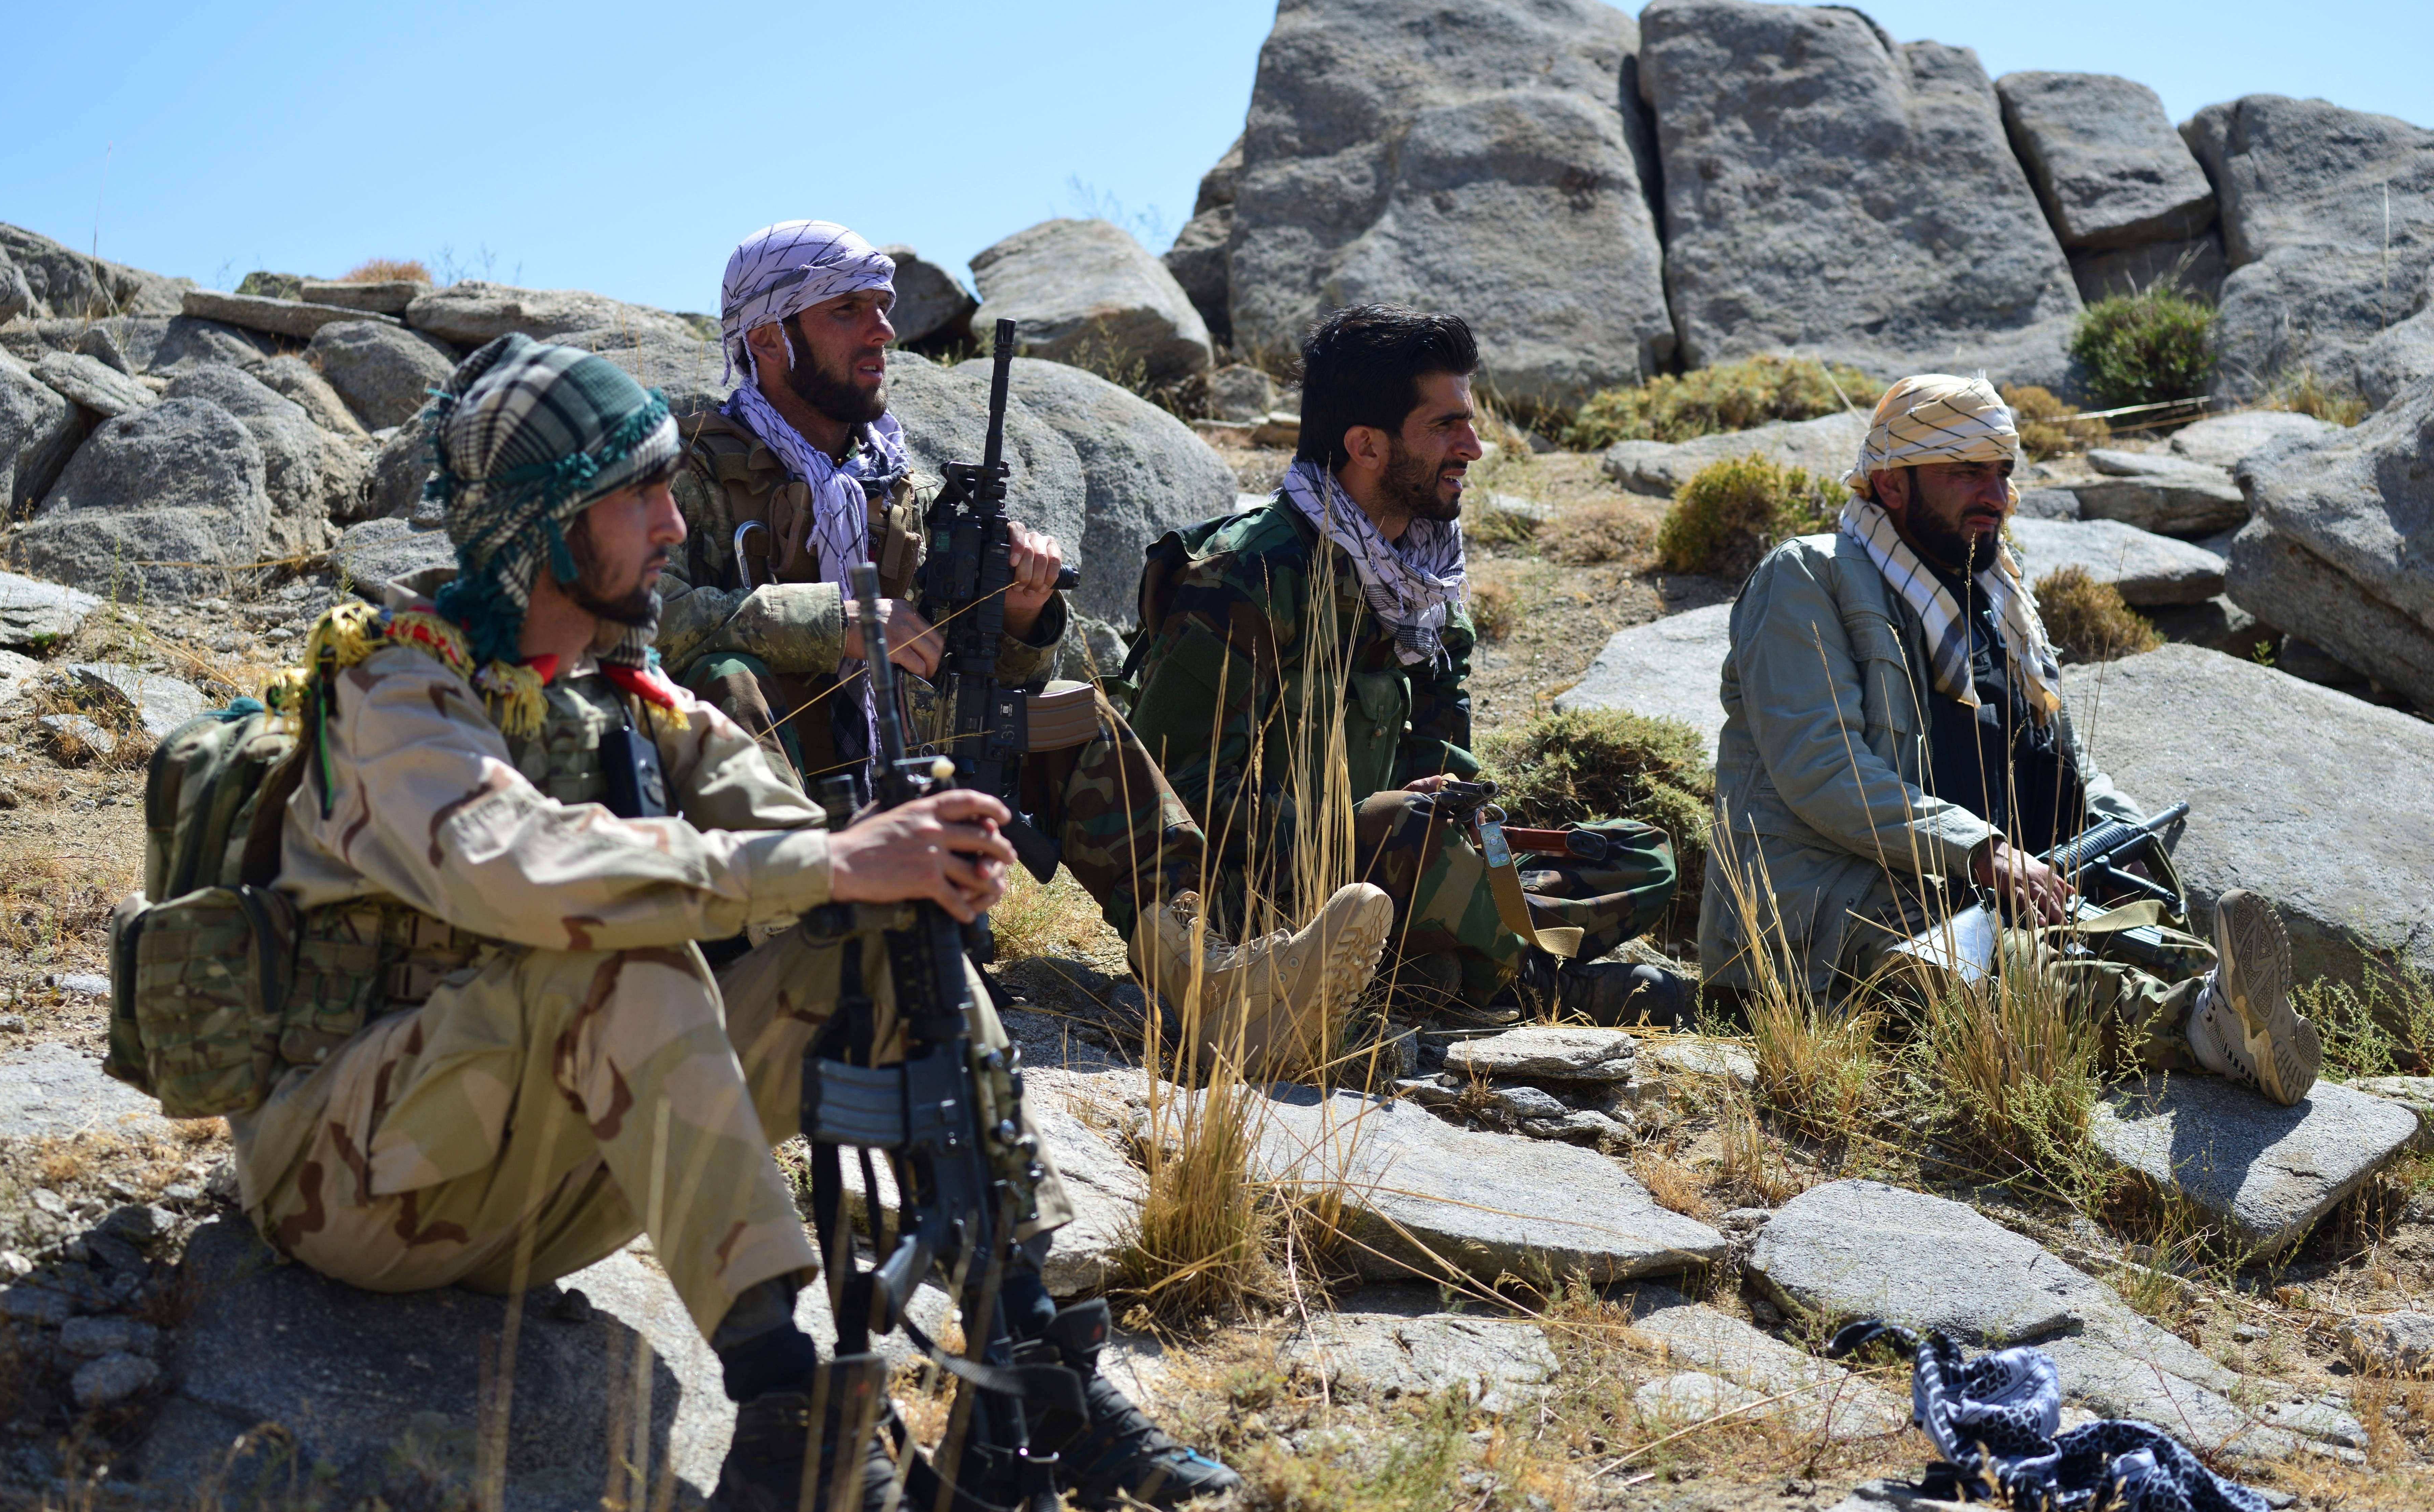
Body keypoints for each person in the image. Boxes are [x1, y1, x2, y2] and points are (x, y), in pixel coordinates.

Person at [230, 333, 1237, 1510]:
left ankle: (1036, 1352)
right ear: (543, 523)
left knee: (884, 934)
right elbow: (519, 868)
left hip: (544, 1180)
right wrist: (829, 856)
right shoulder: (397, 686)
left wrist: (911, 863)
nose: (672, 523)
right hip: (347, 1180)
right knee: (629, 958)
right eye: (640, 495)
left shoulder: (629, 694)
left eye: (670, 488)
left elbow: (794, 843)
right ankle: (787, 1408)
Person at [657, 221, 1391, 1072]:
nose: (882, 332)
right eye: (847, 311)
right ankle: (801, 982)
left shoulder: (890, 485)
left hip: (893, 762)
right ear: (767, 339)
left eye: (884, 309)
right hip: (753, 793)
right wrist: (836, 620)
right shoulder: (691, 472)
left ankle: (1210, 978)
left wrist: (1017, 619)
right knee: (723, 679)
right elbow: (649, 620)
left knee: (1070, 716)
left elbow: (974, 673)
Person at [1697, 372, 2322, 1104]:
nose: (1993, 496)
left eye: (2001, 473)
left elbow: (2057, 750)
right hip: (1833, 915)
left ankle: (2234, 1012)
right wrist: (1984, 852)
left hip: (2005, 881)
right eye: (1964, 472)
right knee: (2002, 967)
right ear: (1890, 484)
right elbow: (1821, 770)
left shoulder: (1997, 596)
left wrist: (2120, 830)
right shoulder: (1809, 577)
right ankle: (2197, 1028)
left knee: (2143, 934)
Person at [1121, 305, 1682, 1025]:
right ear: (1365, 445)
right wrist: (1360, 828)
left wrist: (1448, 796)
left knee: (1640, 852)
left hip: (1401, 856)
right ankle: (1528, 983)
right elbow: (1178, 790)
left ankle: (1442, 965)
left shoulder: (1426, 578)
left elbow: (1446, 743)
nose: (1473, 448)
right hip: (1262, 889)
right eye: (1445, 426)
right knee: (1412, 830)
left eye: (1469, 423)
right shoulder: (1247, 576)